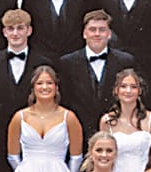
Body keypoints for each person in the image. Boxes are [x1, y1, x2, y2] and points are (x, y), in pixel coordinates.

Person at [57, 10, 136, 140]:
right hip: (78, 132)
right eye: (92, 29)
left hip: (115, 131)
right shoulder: (67, 63)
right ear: (84, 33)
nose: (97, 34)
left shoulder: (125, 61)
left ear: (109, 34)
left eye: (102, 30)